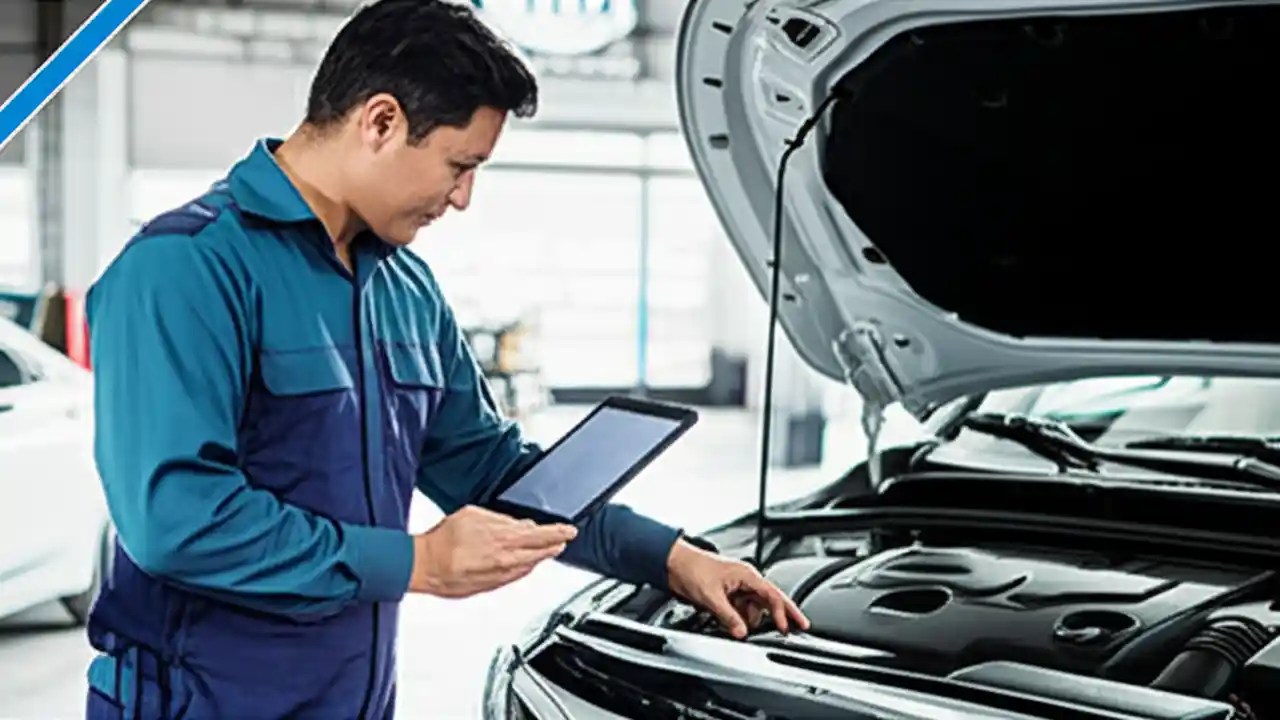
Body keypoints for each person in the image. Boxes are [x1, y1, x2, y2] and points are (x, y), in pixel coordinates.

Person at [81, 0, 809, 717]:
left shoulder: (407, 288)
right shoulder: (184, 269)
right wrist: (419, 563)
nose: (462, 198)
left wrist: (674, 558)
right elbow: (176, 520)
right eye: (459, 165)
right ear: (381, 122)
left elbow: (495, 474)